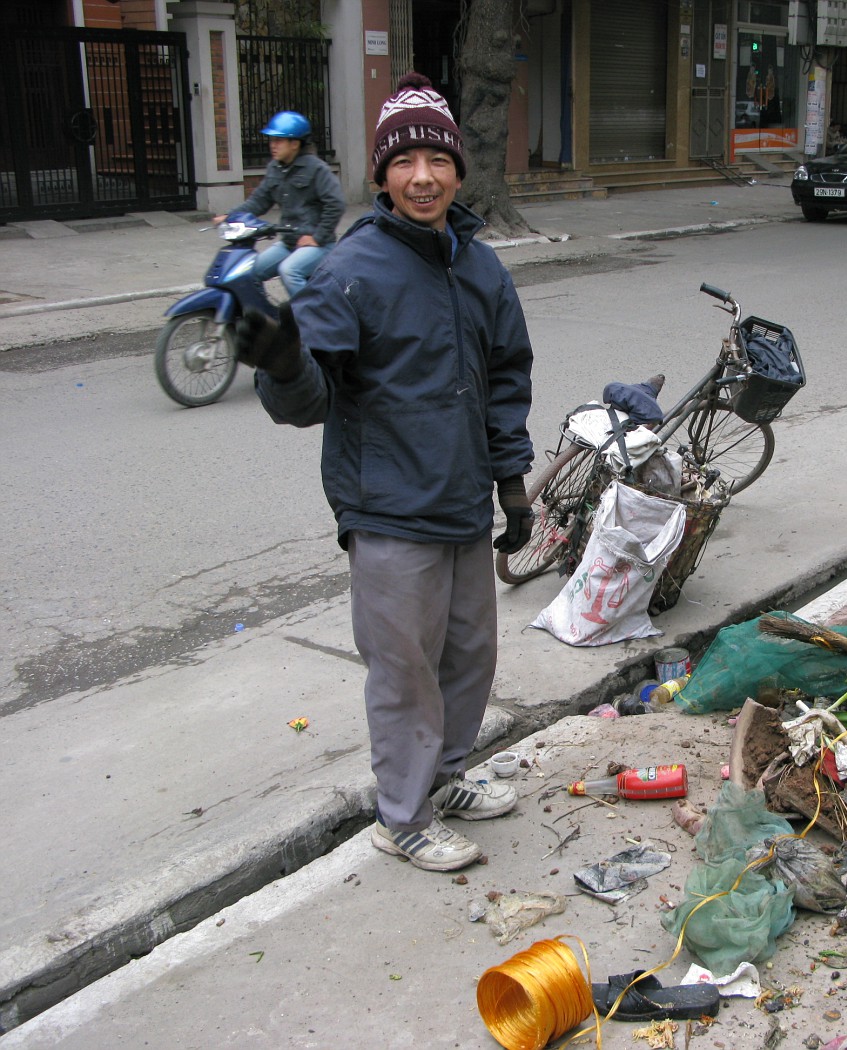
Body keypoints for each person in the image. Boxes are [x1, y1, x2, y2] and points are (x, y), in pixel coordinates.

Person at [232, 73, 535, 873]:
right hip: (391, 510)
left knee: (469, 658)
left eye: (439, 158)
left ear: (459, 173)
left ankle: (446, 775)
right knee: (404, 675)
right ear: (381, 176)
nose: (424, 176)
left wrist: (512, 480)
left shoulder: (480, 268)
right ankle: (401, 817)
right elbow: (306, 401)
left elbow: (506, 376)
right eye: (406, 163)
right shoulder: (348, 272)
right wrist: (285, 362)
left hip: (466, 503)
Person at [214, 111, 345, 298]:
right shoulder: (275, 169)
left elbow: (336, 203)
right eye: (271, 140)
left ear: (295, 143)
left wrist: (317, 238)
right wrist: (230, 216)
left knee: (289, 271)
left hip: (318, 245)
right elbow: (258, 201)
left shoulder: (317, 169)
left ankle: (312, 321)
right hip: (288, 242)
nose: (272, 145)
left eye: (278, 140)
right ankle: (263, 321)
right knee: (249, 272)